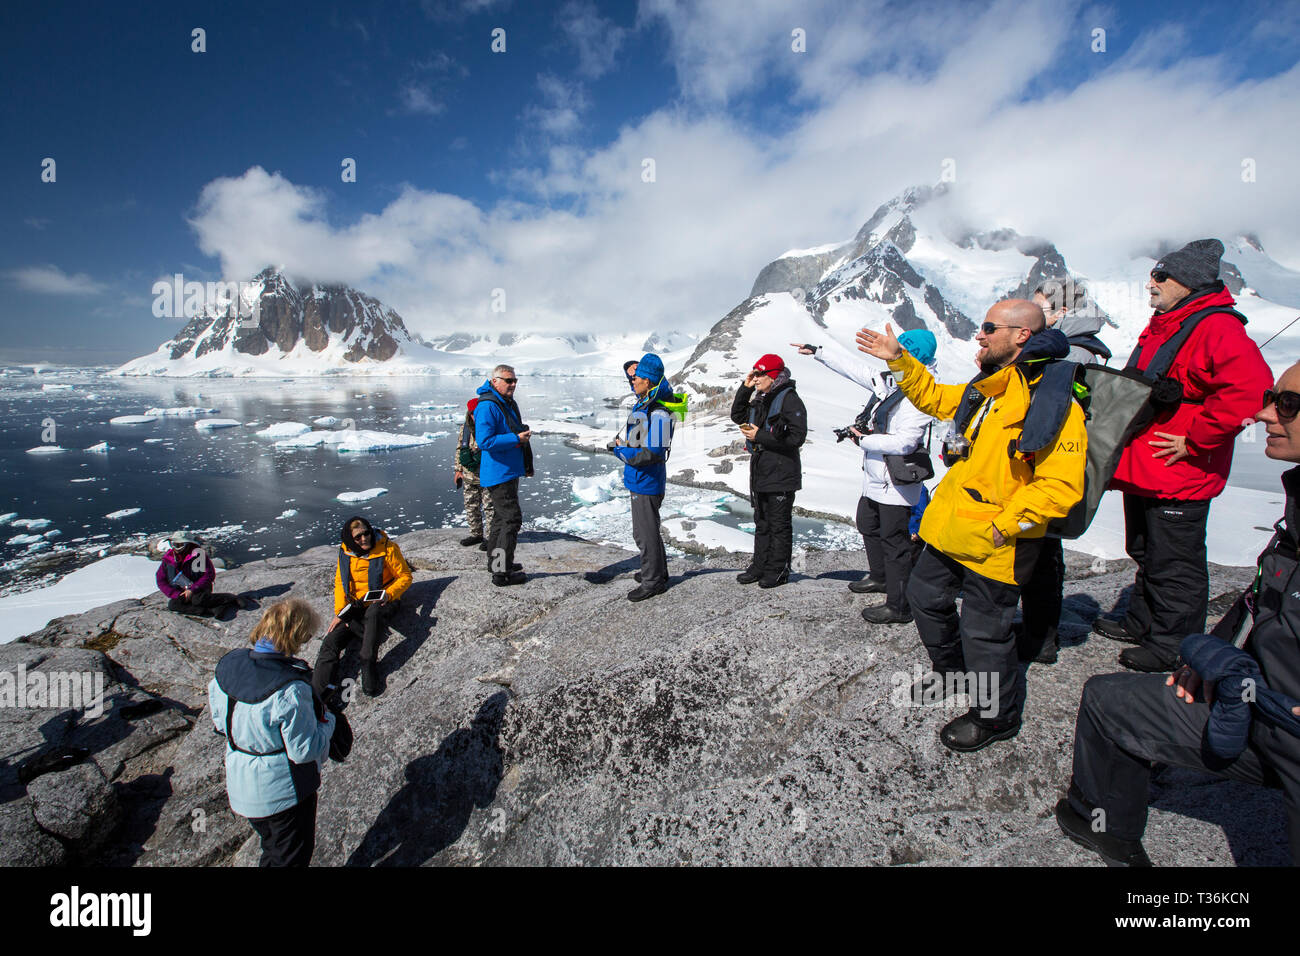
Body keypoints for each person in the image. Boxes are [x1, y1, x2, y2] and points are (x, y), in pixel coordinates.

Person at [1057, 364, 1300, 866]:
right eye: (1273, 398)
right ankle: (1104, 823)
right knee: (1109, 697)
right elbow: (1260, 603)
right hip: (1262, 707)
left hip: (1279, 724)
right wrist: (1213, 656)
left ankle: (1102, 823)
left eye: (1288, 405)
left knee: (1109, 698)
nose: (1264, 413)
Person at [857, 300, 1087, 752]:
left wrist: (1006, 526)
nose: (978, 336)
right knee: (925, 598)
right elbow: (936, 399)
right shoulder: (993, 387)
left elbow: (1061, 484)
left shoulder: (1052, 401)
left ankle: (995, 716)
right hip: (952, 527)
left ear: (1022, 335)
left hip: (997, 540)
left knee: (985, 630)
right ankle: (955, 674)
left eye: (988, 328)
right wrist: (900, 360)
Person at [1094, 239, 1273, 672]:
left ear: (1187, 282)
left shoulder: (1216, 327)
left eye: (1160, 276)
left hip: (1181, 469)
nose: (1150, 283)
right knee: (1144, 548)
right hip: (1147, 465)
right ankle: (1141, 621)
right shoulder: (1169, 321)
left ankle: (1173, 644)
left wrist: (1195, 439)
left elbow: (1251, 391)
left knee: (1175, 562)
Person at [791, 330, 936, 623]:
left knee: (895, 543)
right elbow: (857, 370)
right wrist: (819, 352)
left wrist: (864, 440)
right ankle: (880, 577)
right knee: (867, 523)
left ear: (911, 356)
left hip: (896, 480)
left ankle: (900, 605)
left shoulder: (920, 393)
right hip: (876, 475)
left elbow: (905, 442)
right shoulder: (894, 382)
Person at [1014, 281, 1113, 666]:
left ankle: (1039, 638)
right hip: (1054, 463)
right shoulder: (1081, 348)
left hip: (1051, 466)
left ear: (1063, 313)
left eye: (1041, 309)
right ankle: (1039, 632)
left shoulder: (1069, 352)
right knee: (1042, 551)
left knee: (1040, 554)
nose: (1034, 318)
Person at [210, 598, 336, 867]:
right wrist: (328, 723)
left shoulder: (227, 668)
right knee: (290, 857)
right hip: (283, 792)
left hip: (240, 783)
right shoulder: (291, 688)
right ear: (296, 636)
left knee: (272, 849)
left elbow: (220, 724)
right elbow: (305, 751)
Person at [311, 516, 412, 700]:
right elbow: (341, 582)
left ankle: (368, 661)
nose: (364, 538)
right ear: (351, 540)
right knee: (331, 641)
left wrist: (388, 594)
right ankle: (318, 695)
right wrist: (341, 613)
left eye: (366, 533)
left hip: (384, 601)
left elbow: (405, 576)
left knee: (373, 613)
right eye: (358, 537)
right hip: (356, 605)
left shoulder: (386, 548)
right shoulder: (345, 552)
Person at [731, 353, 808, 588]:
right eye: (754, 374)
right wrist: (744, 389)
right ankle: (759, 565)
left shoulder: (789, 399)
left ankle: (778, 571)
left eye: (760, 374)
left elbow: (797, 436)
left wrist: (760, 436)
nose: (756, 379)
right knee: (762, 521)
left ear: (772, 375)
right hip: (762, 470)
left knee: (779, 524)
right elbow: (737, 416)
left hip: (781, 471)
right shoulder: (761, 398)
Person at [609, 352, 675, 601]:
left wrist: (619, 450)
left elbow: (650, 453)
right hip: (641, 479)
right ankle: (658, 572)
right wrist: (625, 444)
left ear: (647, 381)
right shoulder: (646, 403)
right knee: (649, 530)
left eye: (637, 378)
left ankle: (652, 582)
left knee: (644, 534)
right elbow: (640, 443)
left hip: (646, 480)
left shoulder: (658, 412)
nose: (633, 382)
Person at [475, 364, 532, 586]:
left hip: (507, 471)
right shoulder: (488, 406)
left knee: (500, 519)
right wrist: (516, 439)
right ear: (495, 381)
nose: (513, 384)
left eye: (515, 380)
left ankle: (497, 563)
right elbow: (485, 441)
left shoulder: (506, 402)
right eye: (508, 381)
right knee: (511, 519)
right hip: (499, 473)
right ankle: (503, 572)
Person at [156, 531, 246, 618]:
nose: (176, 548)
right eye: (174, 544)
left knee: (197, 600)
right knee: (173, 605)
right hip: (181, 591)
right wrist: (176, 594)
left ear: (188, 545)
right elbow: (160, 580)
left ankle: (231, 598)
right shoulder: (168, 560)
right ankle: (212, 610)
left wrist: (192, 589)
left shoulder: (199, 557)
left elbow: (209, 574)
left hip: (199, 589)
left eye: (180, 545)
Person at [1033, 277, 1112, 365]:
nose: (1031, 312)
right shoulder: (1058, 345)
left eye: (1038, 307)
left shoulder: (1072, 354)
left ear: (1060, 312)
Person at [454, 398, 494, 549]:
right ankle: (476, 534)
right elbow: (459, 449)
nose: (474, 416)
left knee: (490, 508)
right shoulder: (465, 429)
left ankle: (490, 538)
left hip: (486, 477)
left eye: (477, 413)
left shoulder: (489, 427)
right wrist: (458, 470)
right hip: (468, 476)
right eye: (472, 413)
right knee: (471, 506)